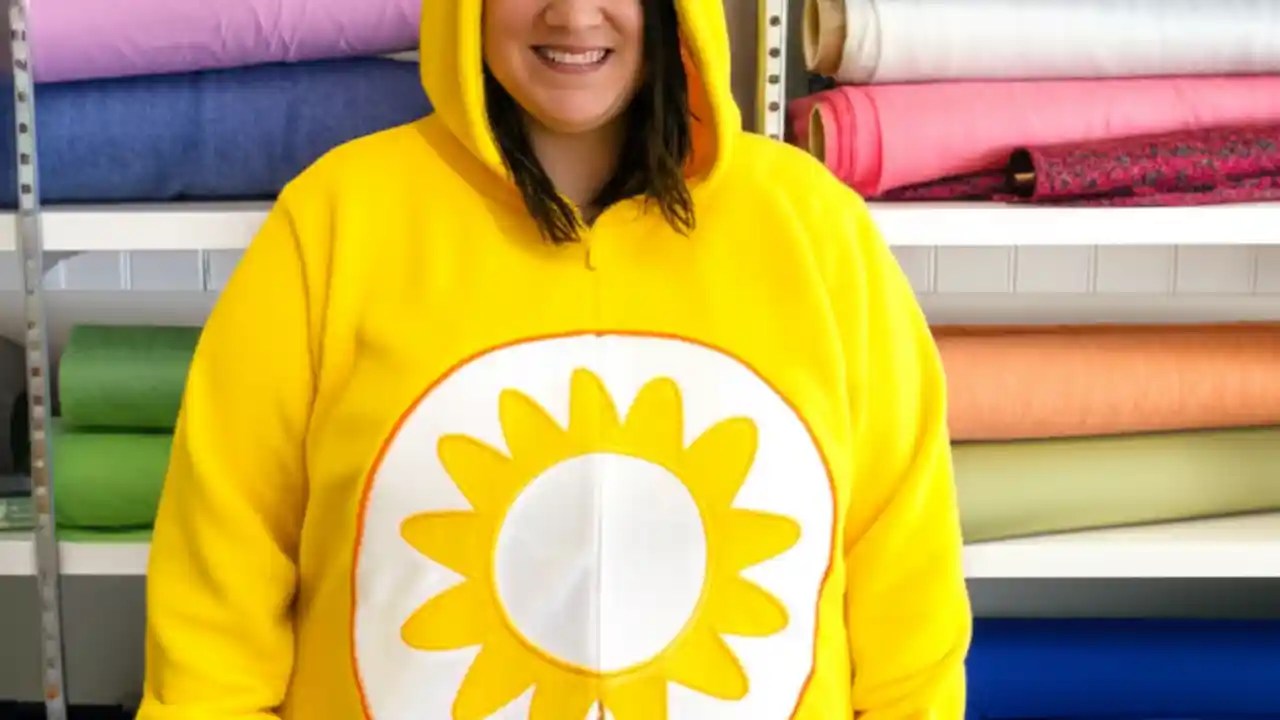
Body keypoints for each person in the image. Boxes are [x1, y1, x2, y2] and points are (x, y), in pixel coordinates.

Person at [136, 0, 972, 718]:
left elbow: (908, 599)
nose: (572, 15)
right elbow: (216, 609)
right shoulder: (332, 225)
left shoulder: (814, 233)